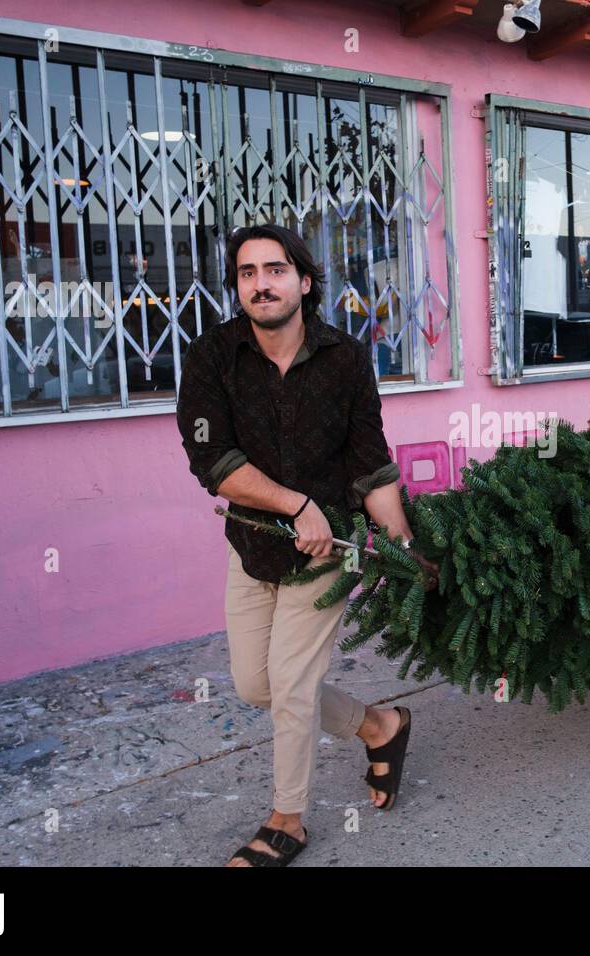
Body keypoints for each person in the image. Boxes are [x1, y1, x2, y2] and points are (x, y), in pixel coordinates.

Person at [176, 223, 438, 866]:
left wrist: (403, 547)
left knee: (291, 688)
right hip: (255, 546)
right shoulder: (213, 355)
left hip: (327, 555)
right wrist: (296, 504)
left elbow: (369, 466)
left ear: (304, 281)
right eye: (247, 273)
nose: (260, 283)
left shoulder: (347, 359)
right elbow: (211, 458)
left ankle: (285, 822)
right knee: (255, 685)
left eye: (274, 269)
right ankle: (381, 726)